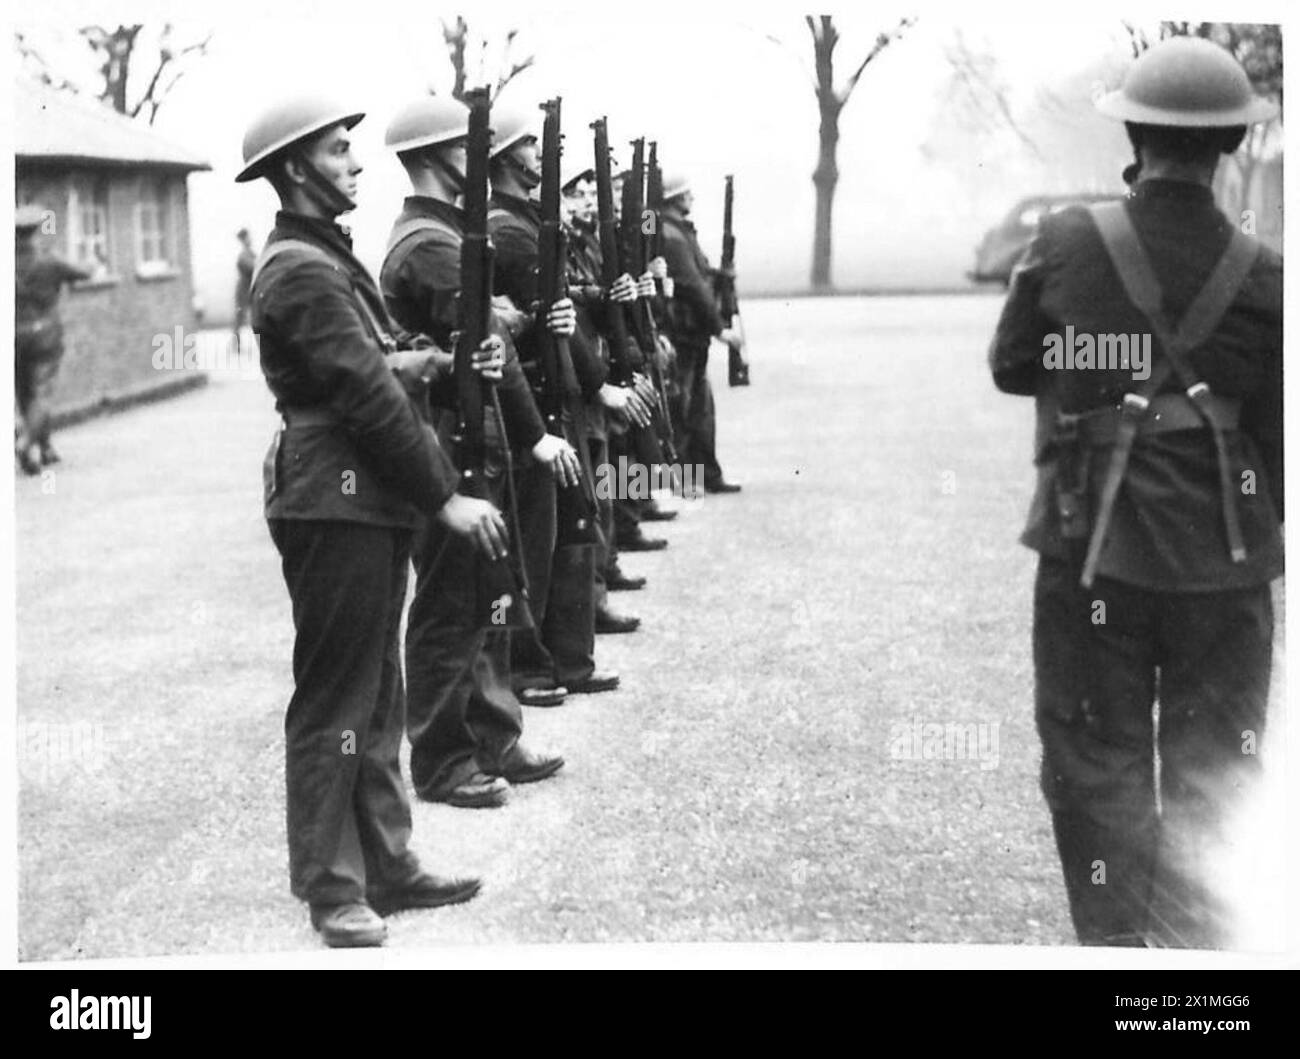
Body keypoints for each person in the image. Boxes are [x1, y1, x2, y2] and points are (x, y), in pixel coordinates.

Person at [988, 35, 1282, 948]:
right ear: (1232, 143)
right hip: (1223, 567)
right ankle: (1191, 976)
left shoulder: (1069, 240)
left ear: (1136, 134)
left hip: (1091, 553)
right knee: (1211, 776)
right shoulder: (1270, 278)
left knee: (1095, 761)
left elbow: (1009, 365)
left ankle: (1118, 960)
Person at [236, 95, 491, 947]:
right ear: (296, 166)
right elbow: (364, 394)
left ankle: (387, 864)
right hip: (331, 496)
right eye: (340, 151)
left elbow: (370, 360)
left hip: (357, 495)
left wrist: (436, 359)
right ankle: (332, 885)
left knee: (379, 690)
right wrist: (443, 495)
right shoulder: (301, 268)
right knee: (338, 695)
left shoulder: (322, 256)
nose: (355, 162)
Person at [378, 95, 567, 809]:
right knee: (449, 603)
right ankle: (442, 758)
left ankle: (492, 735)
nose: (479, 157)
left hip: (467, 435)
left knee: (486, 588)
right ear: (433, 158)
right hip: (442, 443)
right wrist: (535, 435)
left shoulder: (447, 235)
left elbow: (487, 341)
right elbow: (488, 338)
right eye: (465, 145)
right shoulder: (428, 246)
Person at [487, 107, 627, 688]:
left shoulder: (529, 223)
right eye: (530, 144)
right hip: (539, 399)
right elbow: (538, 325)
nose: (543, 155)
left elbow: (559, 314)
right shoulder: (513, 230)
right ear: (502, 157)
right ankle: (533, 663)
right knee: (538, 540)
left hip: (557, 393)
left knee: (571, 526)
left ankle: (567, 658)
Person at [659, 173, 744, 494]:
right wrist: (720, 328)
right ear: (676, 197)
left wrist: (720, 275)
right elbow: (693, 285)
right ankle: (685, 478)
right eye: (687, 193)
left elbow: (698, 276)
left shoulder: (674, 230)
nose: (691, 198)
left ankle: (701, 474)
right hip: (683, 332)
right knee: (686, 406)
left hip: (688, 331)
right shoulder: (671, 233)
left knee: (696, 405)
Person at [14, 204, 89, 475]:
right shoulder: (50, 261)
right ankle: (26, 444)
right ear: (35, 231)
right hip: (45, 334)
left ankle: (44, 449)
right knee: (42, 393)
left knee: (24, 392)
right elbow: (85, 272)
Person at [233, 228, 256, 346]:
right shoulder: (244, 254)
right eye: (247, 237)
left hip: (250, 288)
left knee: (254, 316)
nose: (250, 239)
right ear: (243, 239)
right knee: (240, 318)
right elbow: (253, 267)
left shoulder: (250, 253)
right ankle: (236, 344)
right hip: (243, 289)